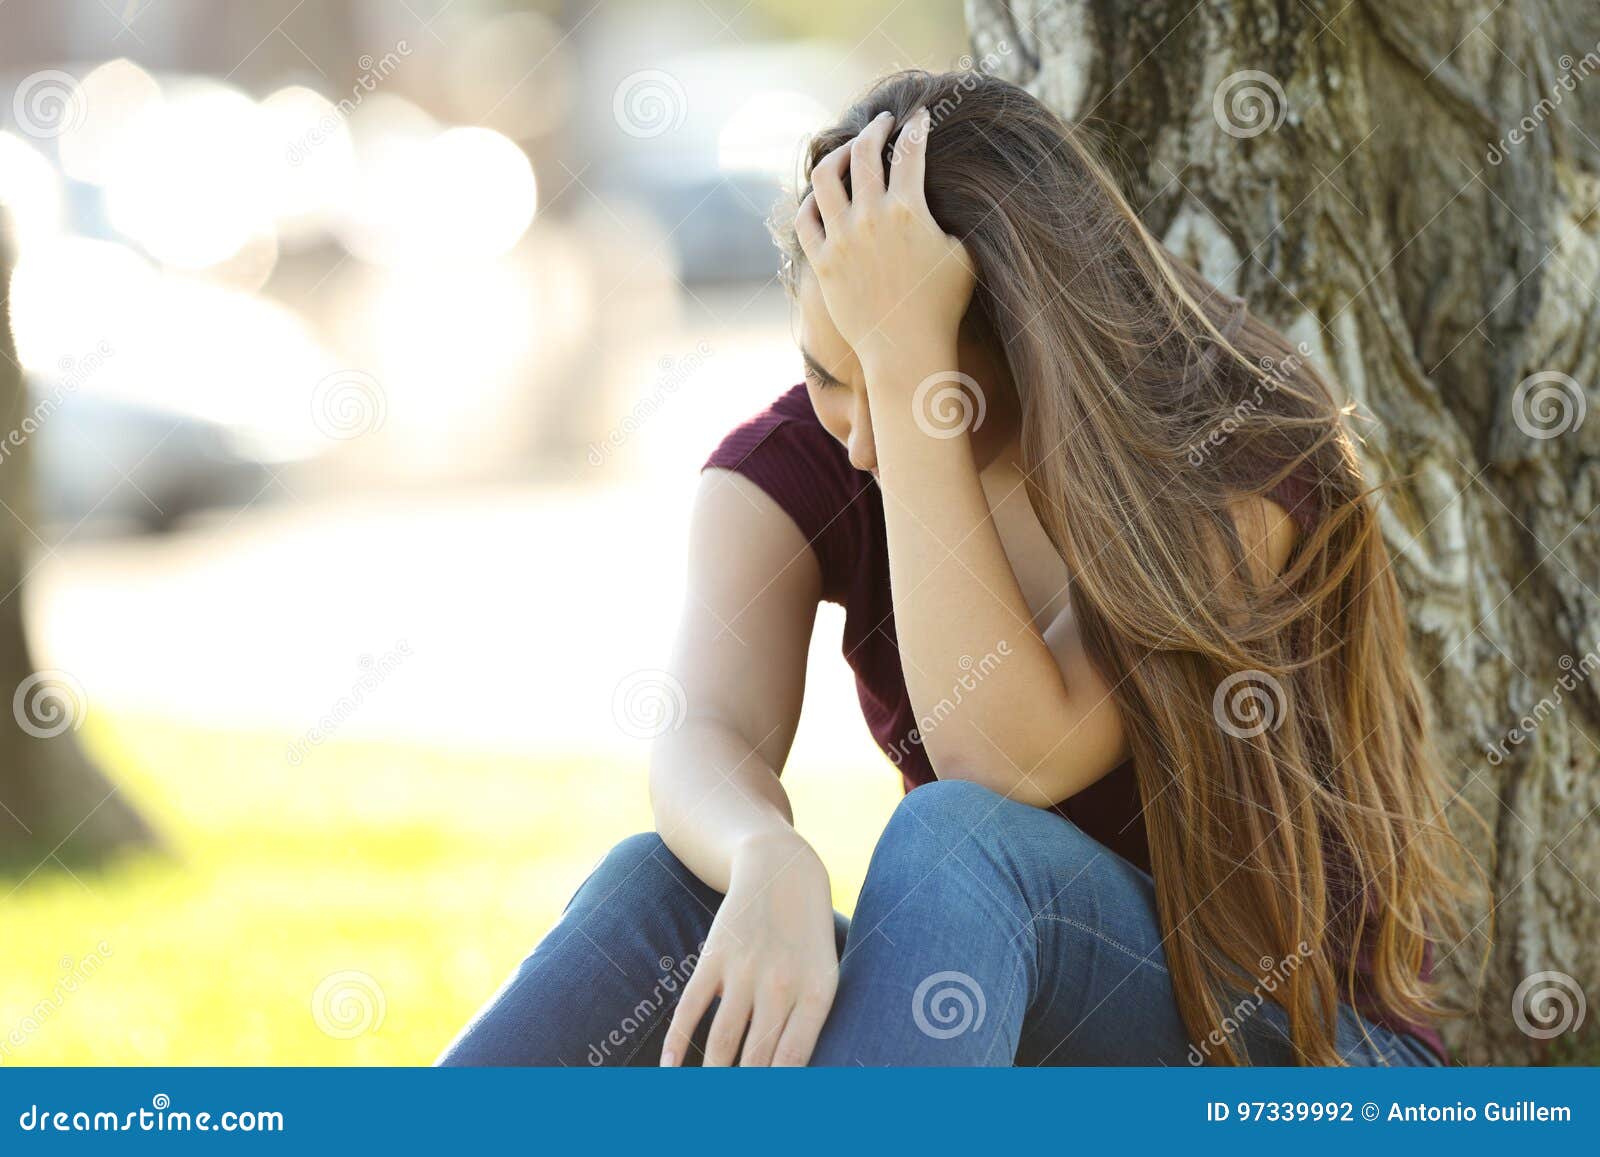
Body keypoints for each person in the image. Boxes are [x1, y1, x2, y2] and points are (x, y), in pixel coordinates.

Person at [439, 69, 1478, 1068]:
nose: (855, 438)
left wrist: (906, 375)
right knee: (657, 889)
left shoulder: (1236, 454)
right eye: (823, 370)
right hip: (1014, 1053)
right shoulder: (795, 467)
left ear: (1035, 357)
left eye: (912, 382)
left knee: (954, 840)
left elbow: (1003, 765)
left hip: (1304, 1061)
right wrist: (768, 853)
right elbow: (703, 734)